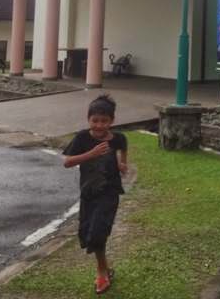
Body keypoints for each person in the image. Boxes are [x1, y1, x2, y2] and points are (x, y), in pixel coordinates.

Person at [62, 94, 128, 294]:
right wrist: (91, 154)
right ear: (88, 119)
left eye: (104, 121)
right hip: (89, 192)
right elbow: (67, 162)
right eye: (95, 121)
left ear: (112, 121)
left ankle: (101, 274)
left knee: (98, 231)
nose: (99, 126)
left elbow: (122, 150)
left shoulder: (118, 138)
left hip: (109, 192)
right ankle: (106, 269)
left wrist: (122, 163)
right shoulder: (82, 137)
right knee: (88, 234)